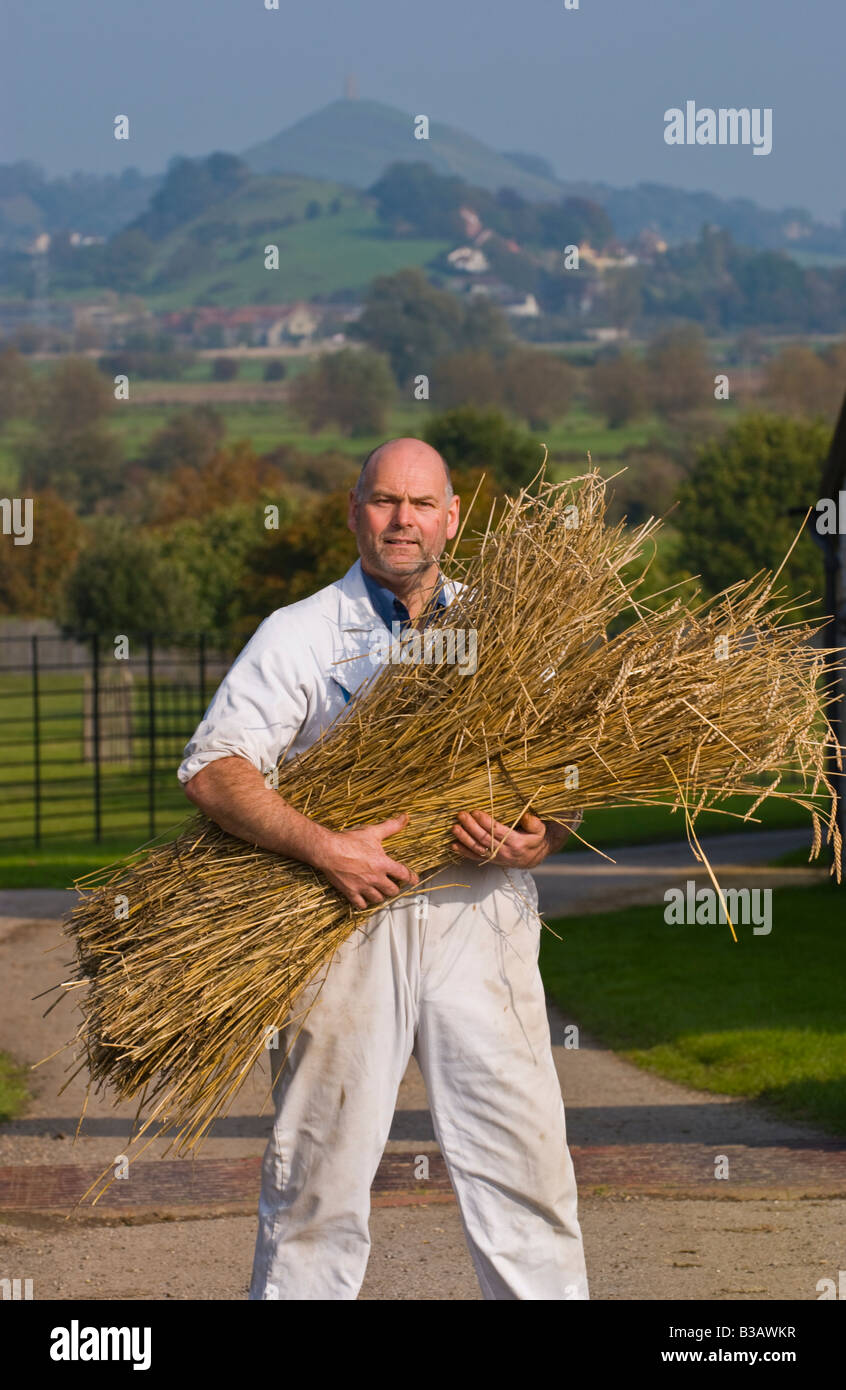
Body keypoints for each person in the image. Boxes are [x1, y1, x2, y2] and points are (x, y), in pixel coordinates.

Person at [177, 436, 589, 1300]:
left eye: (421, 502)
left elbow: (571, 770)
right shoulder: (298, 634)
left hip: (483, 918)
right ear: (355, 510)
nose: (403, 520)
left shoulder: (507, 629)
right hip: (342, 922)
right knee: (319, 1174)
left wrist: (539, 834)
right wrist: (328, 848)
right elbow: (215, 769)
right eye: (383, 500)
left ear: (453, 516)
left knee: (525, 1164)